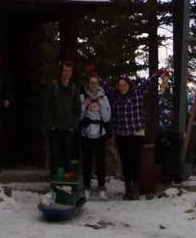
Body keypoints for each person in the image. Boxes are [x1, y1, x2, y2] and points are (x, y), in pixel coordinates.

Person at [107, 68, 169, 200]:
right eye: (120, 85)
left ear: (129, 85)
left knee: (135, 161)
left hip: (136, 133)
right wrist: (92, 73)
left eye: (124, 85)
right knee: (125, 163)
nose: (122, 87)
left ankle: (135, 189)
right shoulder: (114, 95)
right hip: (121, 134)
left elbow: (148, 82)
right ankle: (128, 188)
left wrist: (159, 73)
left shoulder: (137, 93)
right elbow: (103, 85)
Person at [41, 60, 80, 176]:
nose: (67, 73)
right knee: (55, 157)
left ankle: (65, 183)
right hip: (55, 128)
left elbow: (77, 108)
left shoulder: (74, 88)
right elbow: (46, 106)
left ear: (72, 73)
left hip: (68, 128)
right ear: (61, 72)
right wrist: (50, 124)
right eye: (65, 70)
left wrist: (74, 125)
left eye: (69, 71)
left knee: (67, 156)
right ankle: (56, 181)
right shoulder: (54, 86)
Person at [78, 71, 111, 199]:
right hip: (86, 133)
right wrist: (84, 105)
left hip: (100, 133)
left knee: (100, 161)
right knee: (86, 161)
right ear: (88, 84)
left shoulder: (104, 98)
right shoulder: (83, 97)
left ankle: (101, 187)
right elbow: (79, 117)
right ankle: (87, 187)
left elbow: (107, 117)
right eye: (91, 83)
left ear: (98, 84)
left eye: (95, 83)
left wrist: (101, 103)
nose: (93, 85)